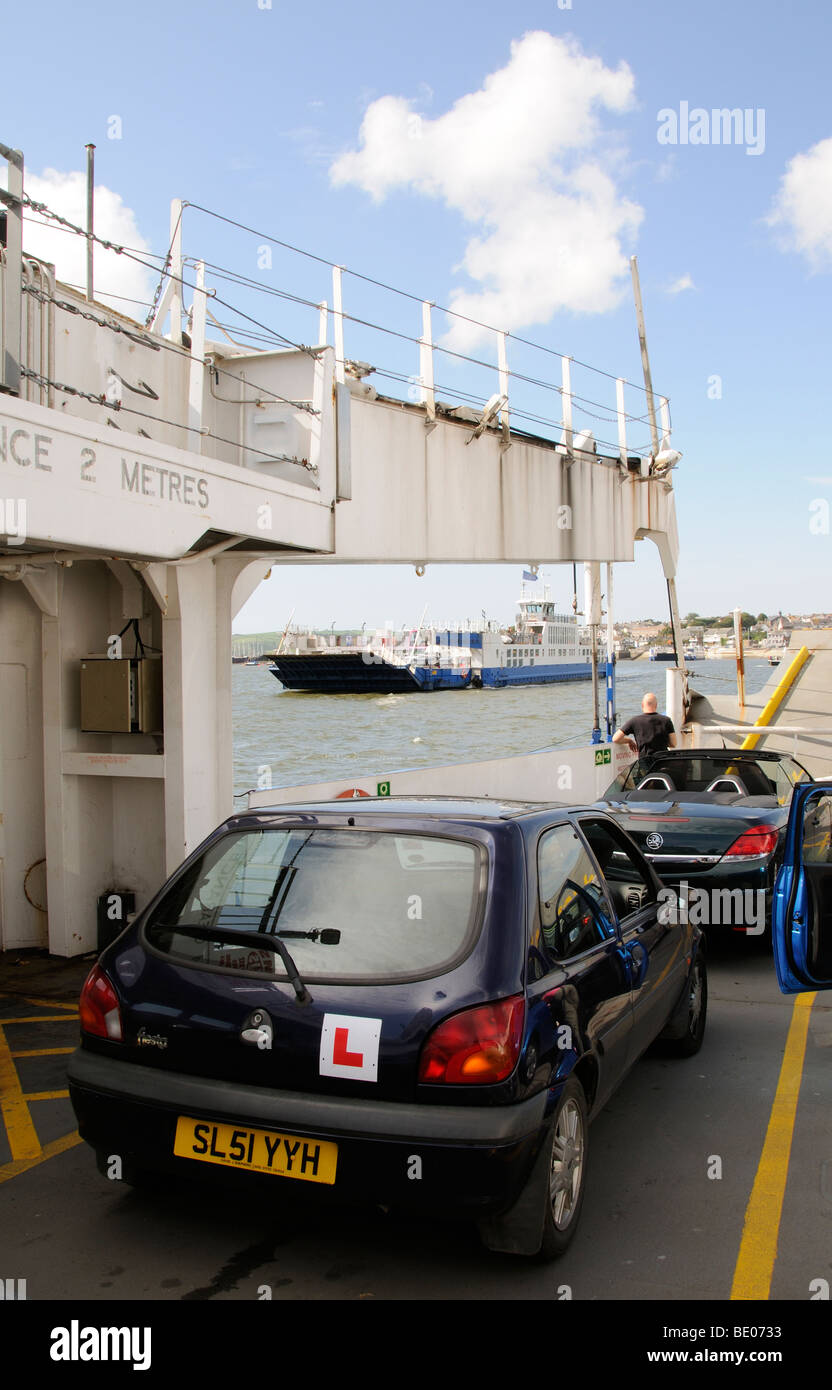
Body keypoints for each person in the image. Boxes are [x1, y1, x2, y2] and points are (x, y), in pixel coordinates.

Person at [612, 692, 677, 757]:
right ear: (656, 705)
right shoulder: (666, 720)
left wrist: (629, 741)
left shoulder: (634, 721)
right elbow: (673, 744)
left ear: (642, 705)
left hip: (645, 763)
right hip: (663, 762)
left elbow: (615, 738)